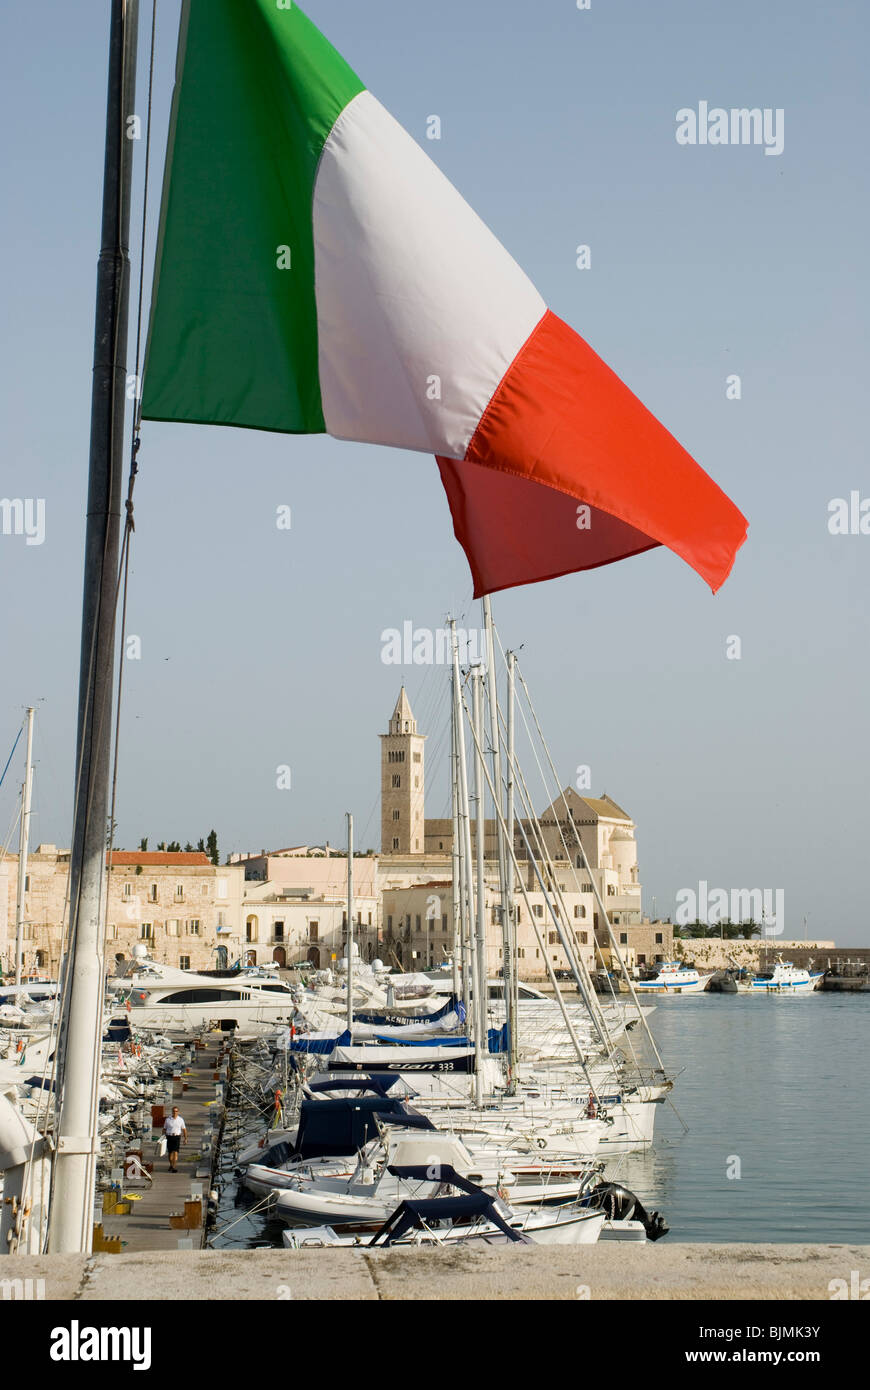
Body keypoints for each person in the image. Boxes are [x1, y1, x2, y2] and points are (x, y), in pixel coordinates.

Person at [163, 1105, 187, 1172]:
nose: (175, 1112)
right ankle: (171, 1165)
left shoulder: (181, 1120)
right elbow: (164, 1129)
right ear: (172, 1112)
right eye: (174, 1111)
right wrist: (163, 1137)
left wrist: (185, 1138)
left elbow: (184, 1129)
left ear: (178, 1112)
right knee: (170, 1153)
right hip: (169, 1136)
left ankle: (174, 1167)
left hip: (177, 1137)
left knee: (175, 1152)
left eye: (176, 1111)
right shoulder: (168, 1119)